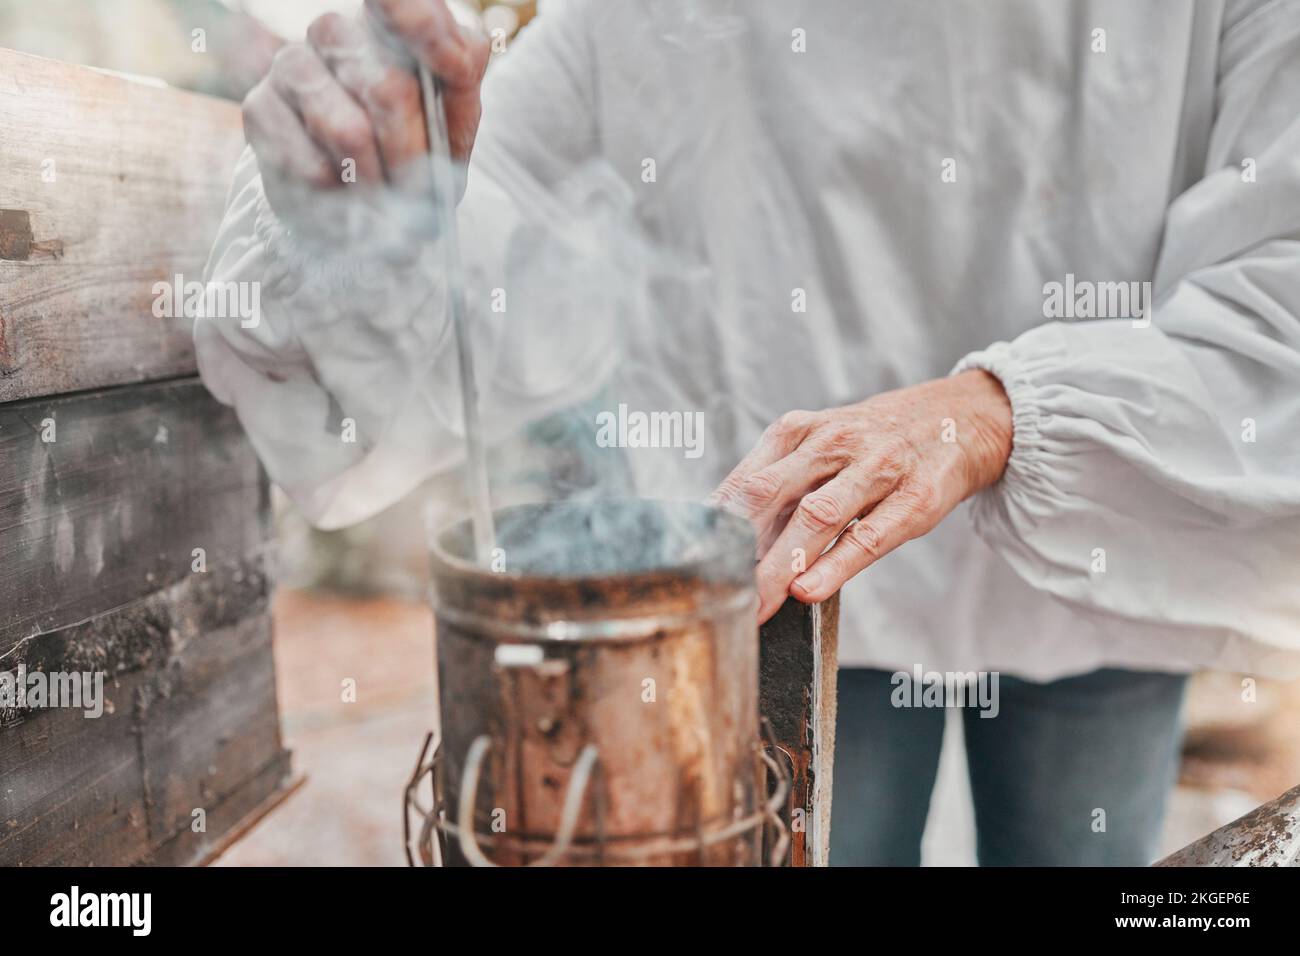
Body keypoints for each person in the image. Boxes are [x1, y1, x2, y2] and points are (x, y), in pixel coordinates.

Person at [199, 0, 1300, 865]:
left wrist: (995, 412)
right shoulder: (630, 20)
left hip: (1100, 556)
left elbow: (1280, 295)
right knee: (815, 845)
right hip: (788, 585)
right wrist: (356, 204)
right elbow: (467, 276)